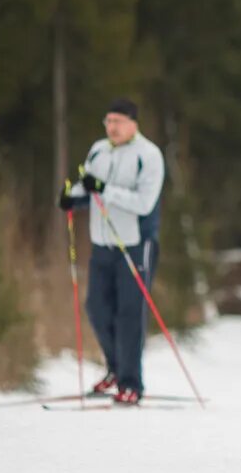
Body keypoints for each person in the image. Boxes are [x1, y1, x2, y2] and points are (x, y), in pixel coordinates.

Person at [59, 98, 165, 405]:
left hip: (136, 245)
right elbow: (88, 187)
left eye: (118, 122)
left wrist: (104, 189)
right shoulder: (99, 150)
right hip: (102, 244)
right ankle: (116, 371)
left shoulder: (149, 155)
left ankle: (132, 383)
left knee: (129, 313)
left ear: (133, 124)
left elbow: (144, 203)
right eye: (108, 121)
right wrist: (72, 197)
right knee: (97, 308)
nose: (112, 127)